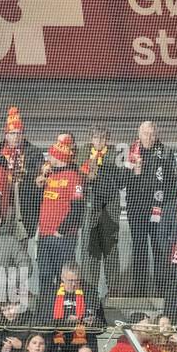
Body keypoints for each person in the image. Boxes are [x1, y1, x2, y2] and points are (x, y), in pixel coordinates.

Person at [124, 121, 177, 294]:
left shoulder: (166, 152)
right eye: (146, 134)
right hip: (137, 209)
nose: (149, 137)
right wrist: (134, 172)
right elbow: (119, 181)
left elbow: (175, 181)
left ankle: (162, 290)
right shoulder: (129, 152)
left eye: (152, 134)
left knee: (159, 248)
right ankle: (139, 291)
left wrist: (168, 206)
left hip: (159, 210)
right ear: (139, 134)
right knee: (139, 248)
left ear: (157, 135)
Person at [35, 134, 86, 293]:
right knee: (44, 277)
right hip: (44, 236)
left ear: (59, 157)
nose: (49, 156)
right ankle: (46, 313)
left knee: (63, 280)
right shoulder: (49, 175)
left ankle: (63, 312)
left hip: (62, 238)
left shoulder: (74, 177)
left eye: (52, 154)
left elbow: (78, 209)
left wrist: (62, 230)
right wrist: (38, 182)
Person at [78, 126, 123, 296]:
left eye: (103, 138)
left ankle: (114, 288)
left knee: (110, 246)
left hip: (109, 206)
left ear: (108, 140)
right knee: (91, 247)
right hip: (90, 205)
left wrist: (100, 172)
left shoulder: (115, 153)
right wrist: (86, 175)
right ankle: (90, 288)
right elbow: (78, 173)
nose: (99, 142)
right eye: (96, 138)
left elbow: (120, 178)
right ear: (91, 139)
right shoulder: (83, 152)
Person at [36, 261, 103, 352]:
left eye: (76, 281)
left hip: (82, 349)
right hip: (56, 349)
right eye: (70, 281)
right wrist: (65, 322)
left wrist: (92, 322)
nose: (73, 284)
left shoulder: (90, 293)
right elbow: (39, 323)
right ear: (62, 277)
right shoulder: (49, 294)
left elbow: (102, 326)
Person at [0, 106, 45, 240]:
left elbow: (38, 175)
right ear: (6, 134)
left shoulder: (34, 152)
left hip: (25, 205)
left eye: (19, 133)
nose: (16, 137)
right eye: (12, 133)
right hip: (4, 203)